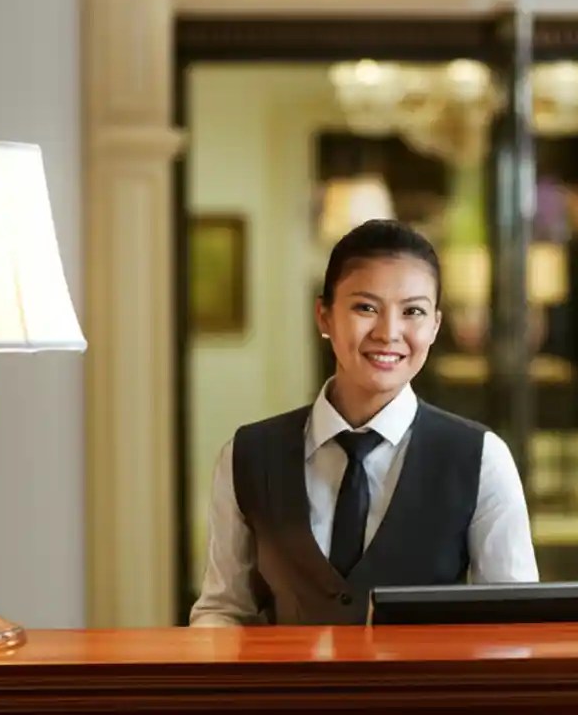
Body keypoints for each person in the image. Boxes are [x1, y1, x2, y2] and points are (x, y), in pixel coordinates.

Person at [189, 219, 538, 626]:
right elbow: (224, 610)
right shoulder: (247, 455)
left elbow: (515, 623)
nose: (389, 333)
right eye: (365, 308)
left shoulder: (481, 458)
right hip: (287, 690)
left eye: (413, 311)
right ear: (324, 316)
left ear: (435, 326)